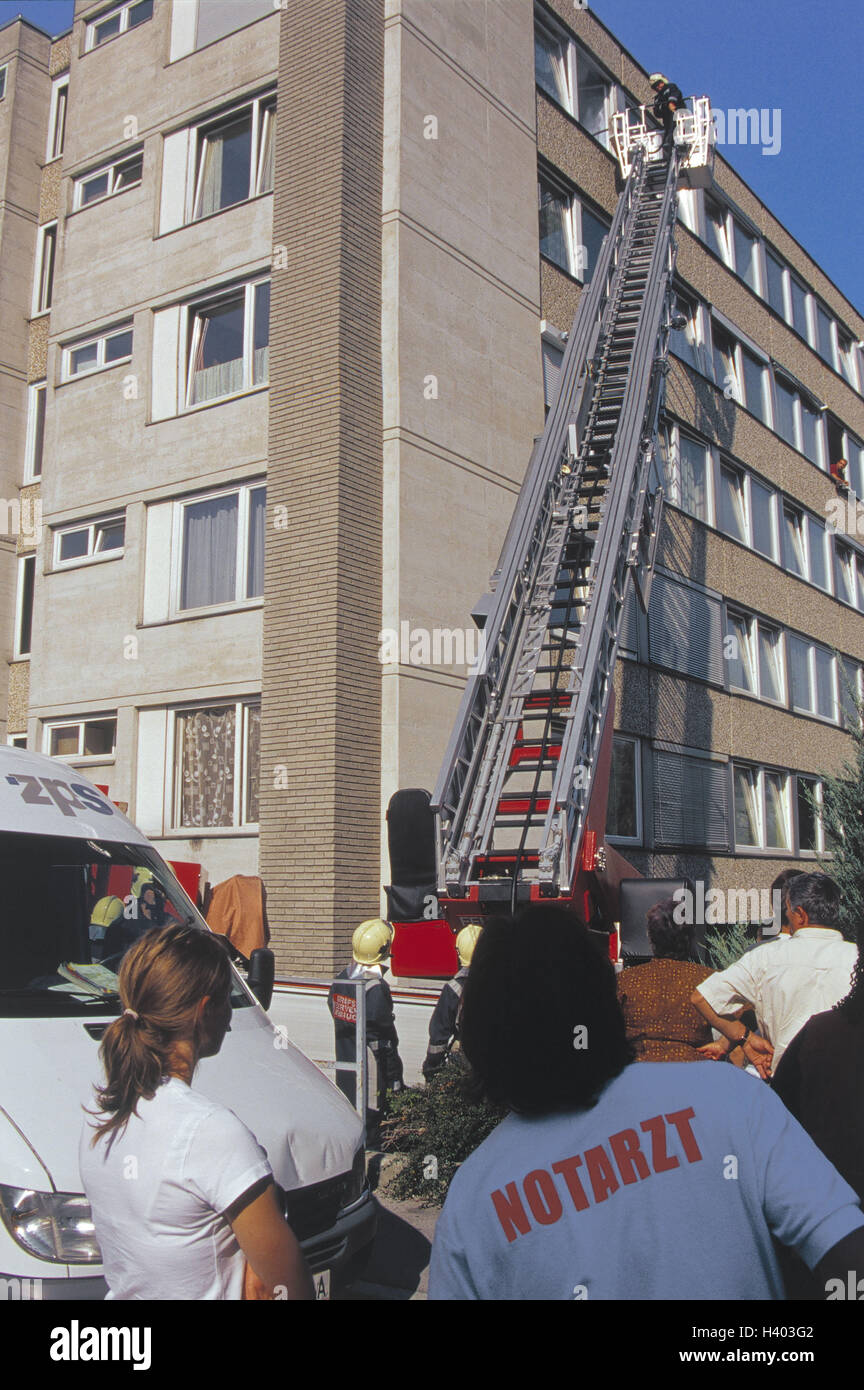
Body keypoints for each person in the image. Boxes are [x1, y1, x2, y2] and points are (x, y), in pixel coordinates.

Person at [427, 906, 864, 1301]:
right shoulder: (731, 1100)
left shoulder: (472, 1200)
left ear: (483, 1033)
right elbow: (844, 1251)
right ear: (601, 1002)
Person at [80, 923, 313, 1300]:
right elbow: (289, 1286)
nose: (231, 1017)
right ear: (204, 1011)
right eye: (226, 998)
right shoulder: (210, 1132)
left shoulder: (101, 1112)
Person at [690, 872, 857, 1078]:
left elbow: (702, 997)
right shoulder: (857, 956)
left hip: (788, 1081)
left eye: (787, 911)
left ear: (800, 915)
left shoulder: (765, 957)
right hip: (850, 1084)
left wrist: (746, 1038)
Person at [328, 918, 404, 1141]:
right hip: (372, 1080)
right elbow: (385, 1042)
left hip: (346, 1072)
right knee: (370, 1136)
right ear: (383, 951)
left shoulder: (342, 979)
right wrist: (395, 1083)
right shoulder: (375, 989)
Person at [616, 899, 713, 1062]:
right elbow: (741, 1026)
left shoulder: (624, 981)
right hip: (695, 1072)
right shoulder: (709, 979)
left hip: (638, 1072)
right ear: (690, 938)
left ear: (650, 937)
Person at [423, 923, 482, 1080]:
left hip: (464, 1059)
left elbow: (438, 1036)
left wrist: (431, 1070)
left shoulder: (454, 988)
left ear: (459, 952)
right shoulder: (504, 984)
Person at [649, 72, 684, 155]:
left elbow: (676, 94)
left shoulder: (671, 87)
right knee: (669, 140)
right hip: (668, 124)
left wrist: (671, 102)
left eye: (658, 83)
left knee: (675, 137)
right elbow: (657, 112)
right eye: (655, 86)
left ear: (663, 81)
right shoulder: (657, 98)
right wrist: (665, 106)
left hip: (679, 119)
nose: (658, 87)